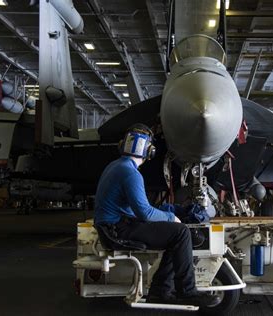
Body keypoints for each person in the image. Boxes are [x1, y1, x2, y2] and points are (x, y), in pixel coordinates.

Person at [94, 124, 219, 306]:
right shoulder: (131, 174)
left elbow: (134, 208)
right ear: (149, 151)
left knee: (172, 237)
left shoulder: (116, 166)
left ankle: (161, 291)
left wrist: (169, 210)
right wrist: (172, 218)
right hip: (117, 231)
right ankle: (187, 292)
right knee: (181, 232)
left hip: (112, 227)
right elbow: (144, 212)